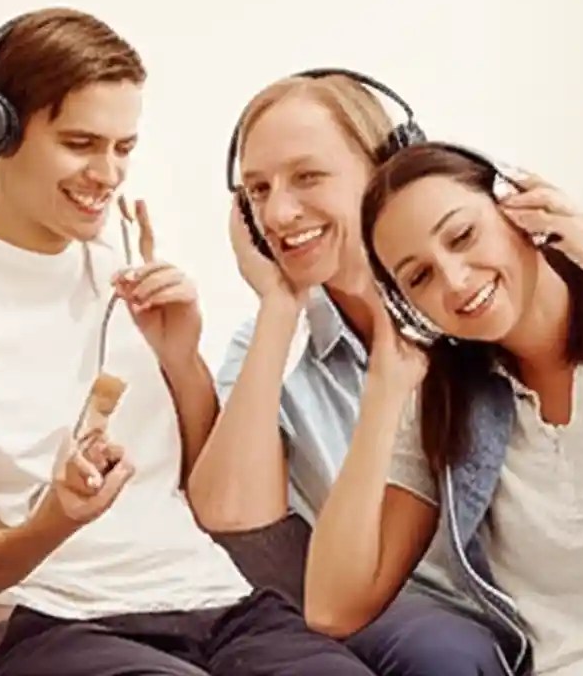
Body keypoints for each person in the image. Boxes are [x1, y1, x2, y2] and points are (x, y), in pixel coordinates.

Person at [0, 7, 374, 676]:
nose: (108, 173)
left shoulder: (129, 276)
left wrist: (181, 358)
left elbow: (213, 503)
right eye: (81, 143)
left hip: (214, 600)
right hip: (50, 620)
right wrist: (54, 521)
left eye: (123, 148)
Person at [188, 72, 507, 675]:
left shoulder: (470, 301)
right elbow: (229, 514)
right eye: (258, 190)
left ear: (386, 170)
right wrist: (279, 305)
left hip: (513, 604)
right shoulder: (273, 347)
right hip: (388, 615)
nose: (279, 212)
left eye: (307, 177)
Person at [307, 140, 583, 676]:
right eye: (419, 277)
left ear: (519, 207)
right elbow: (332, 606)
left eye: (463, 236)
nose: (455, 280)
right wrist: (382, 394)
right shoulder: (448, 406)